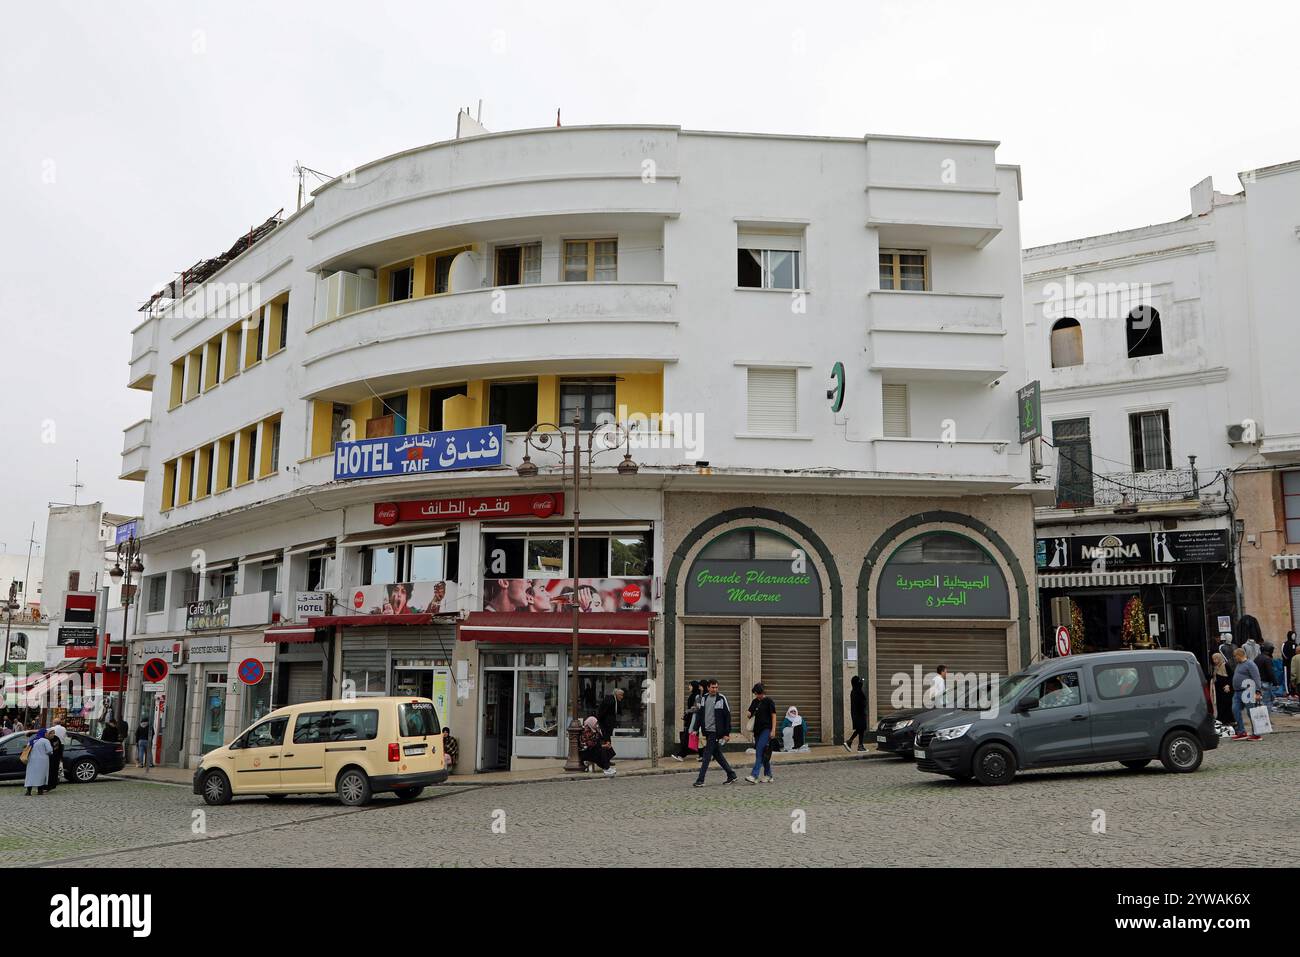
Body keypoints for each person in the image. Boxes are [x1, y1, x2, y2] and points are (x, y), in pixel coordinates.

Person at [692, 679, 736, 787]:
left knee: (707, 755)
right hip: (707, 731)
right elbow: (700, 714)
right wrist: (695, 728)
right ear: (708, 688)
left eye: (716, 687)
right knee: (717, 754)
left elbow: (727, 717)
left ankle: (700, 780)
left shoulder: (721, 699)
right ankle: (731, 774)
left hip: (715, 732)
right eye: (713, 687)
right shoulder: (704, 698)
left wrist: (727, 733)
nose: (715, 689)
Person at [744, 683, 778, 784]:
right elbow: (749, 713)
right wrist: (749, 713)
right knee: (763, 753)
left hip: (766, 729)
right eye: (755, 694)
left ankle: (754, 775)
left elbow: (773, 715)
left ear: (762, 692)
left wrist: (773, 730)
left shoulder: (769, 701)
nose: (757, 696)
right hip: (757, 731)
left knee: (759, 750)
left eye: (758, 693)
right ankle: (769, 775)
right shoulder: (755, 701)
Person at [1230, 648, 1263, 741]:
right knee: (1235, 710)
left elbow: (1256, 678)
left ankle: (1257, 733)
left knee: (1251, 712)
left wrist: (1257, 691)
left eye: (1235, 656)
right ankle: (1241, 732)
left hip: (1248, 691)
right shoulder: (1239, 665)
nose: (1234, 658)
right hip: (1237, 692)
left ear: (1240, 655)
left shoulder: (1250, 664)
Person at [672, 680, 702, 761]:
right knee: (693, 736)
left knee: (689, 736)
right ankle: (703, 754)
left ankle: (681, 755)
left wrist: (688, 711)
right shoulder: (692, 695)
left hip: (694, 719)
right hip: (690, 718)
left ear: (694, 687)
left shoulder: (697, 696)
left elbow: (698, 708)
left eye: (690, 685)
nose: (689, 687)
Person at [23, 729, 53, 796]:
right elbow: (49, 750)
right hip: (42, 761)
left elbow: (27, 749)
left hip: (31, 760)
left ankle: (28, 791)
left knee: (30, 775)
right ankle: (40, 791)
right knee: (41, 775)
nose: (47, 734)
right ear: (44, 733)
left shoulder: (31, 741)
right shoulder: (45, 741)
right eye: (46, 733)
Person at [845, 675, 868, 752]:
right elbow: (861, 704)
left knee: (860, 730)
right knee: (861, 729)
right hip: (860, 714)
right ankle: (857, 745)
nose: (861, 683)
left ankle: (855, 744)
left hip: (857, 714)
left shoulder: (854, 691)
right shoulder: (858, 692)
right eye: (860, 681)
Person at [1210, 653, 1234, 726]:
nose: (1214, 661)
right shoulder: (1215, 667)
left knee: (1226, 705)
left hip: (1226, 690)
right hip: (1219, 690)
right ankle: (1221, 721)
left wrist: (1228, 685)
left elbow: (1232, 676)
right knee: (1220, 705)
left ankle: (1229, 721)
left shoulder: (1225, 665)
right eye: (1213, 659)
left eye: (1216, 659)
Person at [47, 725, 67, 791]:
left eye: (54, 733)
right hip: (49, 758)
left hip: (55, 758)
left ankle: (53, 785)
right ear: (48, 734)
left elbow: (60, 748)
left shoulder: (56, 738)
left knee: (54, 772)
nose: (53, 734)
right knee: (49, 772)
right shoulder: (46, 740)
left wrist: (60, 757)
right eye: (52, 733)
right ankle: (48, 786)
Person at [1256, 644, 1276, 709]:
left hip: (1258, 682)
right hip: (1265, 682)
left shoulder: (1257, 658)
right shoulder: (1267, 659)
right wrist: (1275, 682)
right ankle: (1266, 717)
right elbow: (1270, 672)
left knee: (1261, 701)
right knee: (1267, 702)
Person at [1282, 630, 1297, 695]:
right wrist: (1287, 659)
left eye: (1295, 635)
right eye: (1292, 635)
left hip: (1294, 665)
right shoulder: (1285, 644)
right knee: (1287, 678)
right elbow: (1283, 652)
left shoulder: (1295, 644)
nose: (1294, 636)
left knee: (1294, 677)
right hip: (1287, 664)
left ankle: (1294, 691)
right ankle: (1288, 691)